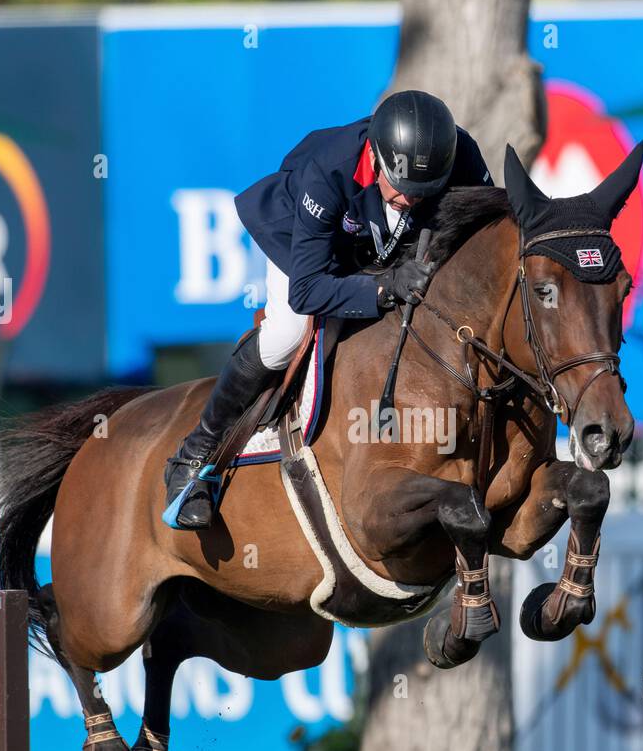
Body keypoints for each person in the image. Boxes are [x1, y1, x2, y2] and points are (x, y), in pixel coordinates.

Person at [163, 90, 494, 530]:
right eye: (404, 190)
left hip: (376, 240)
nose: (411, 200)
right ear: (375, 157)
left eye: (423, 193)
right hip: (303, 242)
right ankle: (194, 457)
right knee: (288, 332)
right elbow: (307, 289)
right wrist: (383, 288)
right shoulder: (329, 170)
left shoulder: (460, 154)